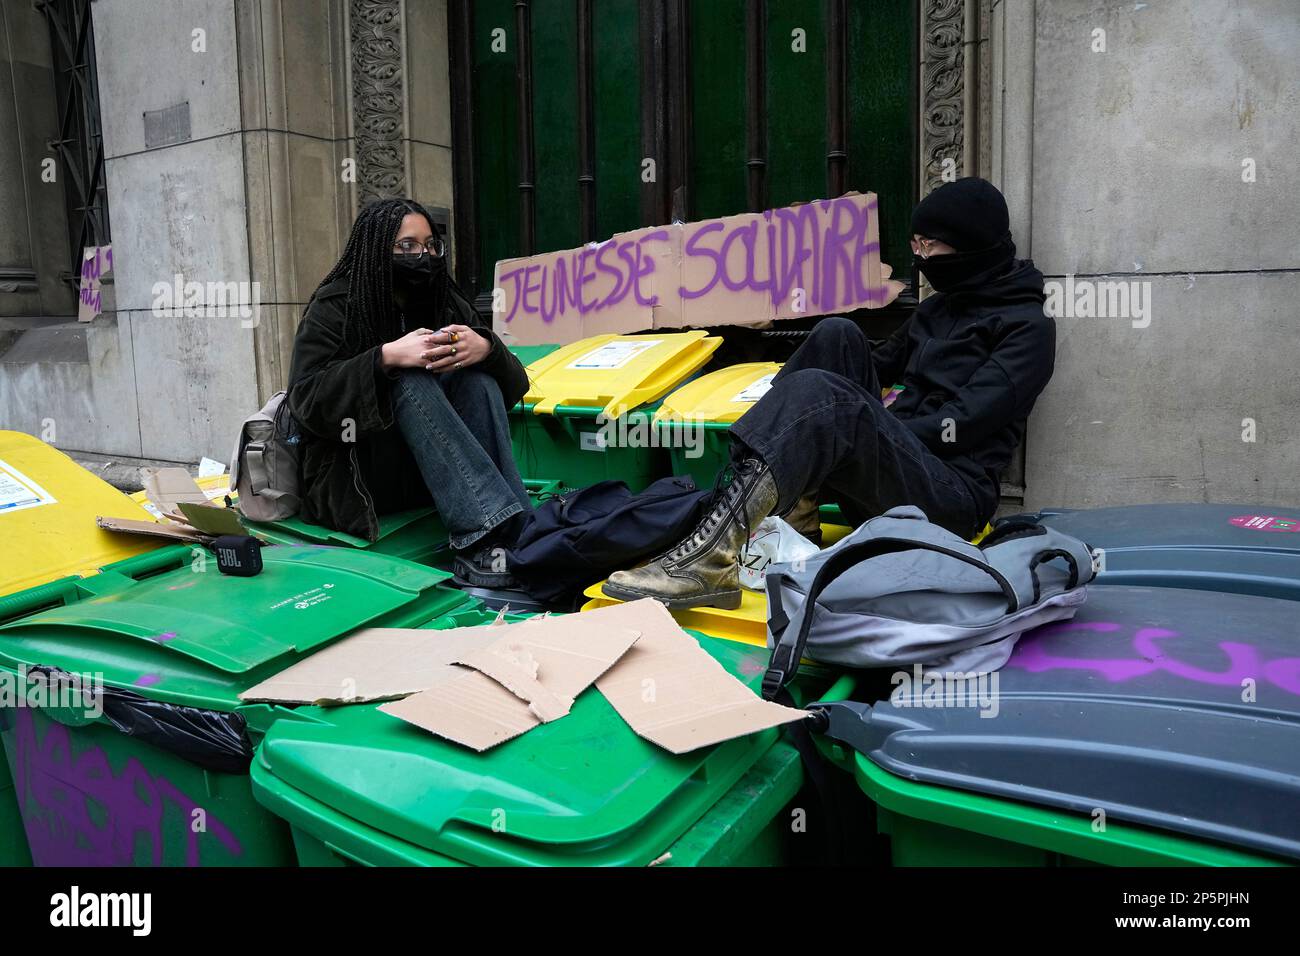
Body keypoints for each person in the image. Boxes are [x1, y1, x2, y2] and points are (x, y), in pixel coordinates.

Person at [604, 177, 1056, 609]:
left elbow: (962, 424)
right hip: (890, 484)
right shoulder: (937, 309)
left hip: (949, 500)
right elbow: (876, 363)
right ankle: (791, 511)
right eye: (915, 244)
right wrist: (807, 400)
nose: (919, 256)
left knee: (831, 399)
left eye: (930, 246)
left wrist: (862, 422)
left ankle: (709, 564)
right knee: (836, 334)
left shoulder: (1027, 330)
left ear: (972, 247)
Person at [287, 198, 530, 588]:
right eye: (406, 246)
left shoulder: (444, 299)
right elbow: (305, 399)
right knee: (407, 376)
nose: (423, 256)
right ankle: (482, 534)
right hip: (360, 479)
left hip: (433, 475)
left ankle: (518, 523)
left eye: (431, 245)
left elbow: (514, 387)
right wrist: (383, 358)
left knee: (477, 379)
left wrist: (487, 350)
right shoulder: (336, 305)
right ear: (376, 250)